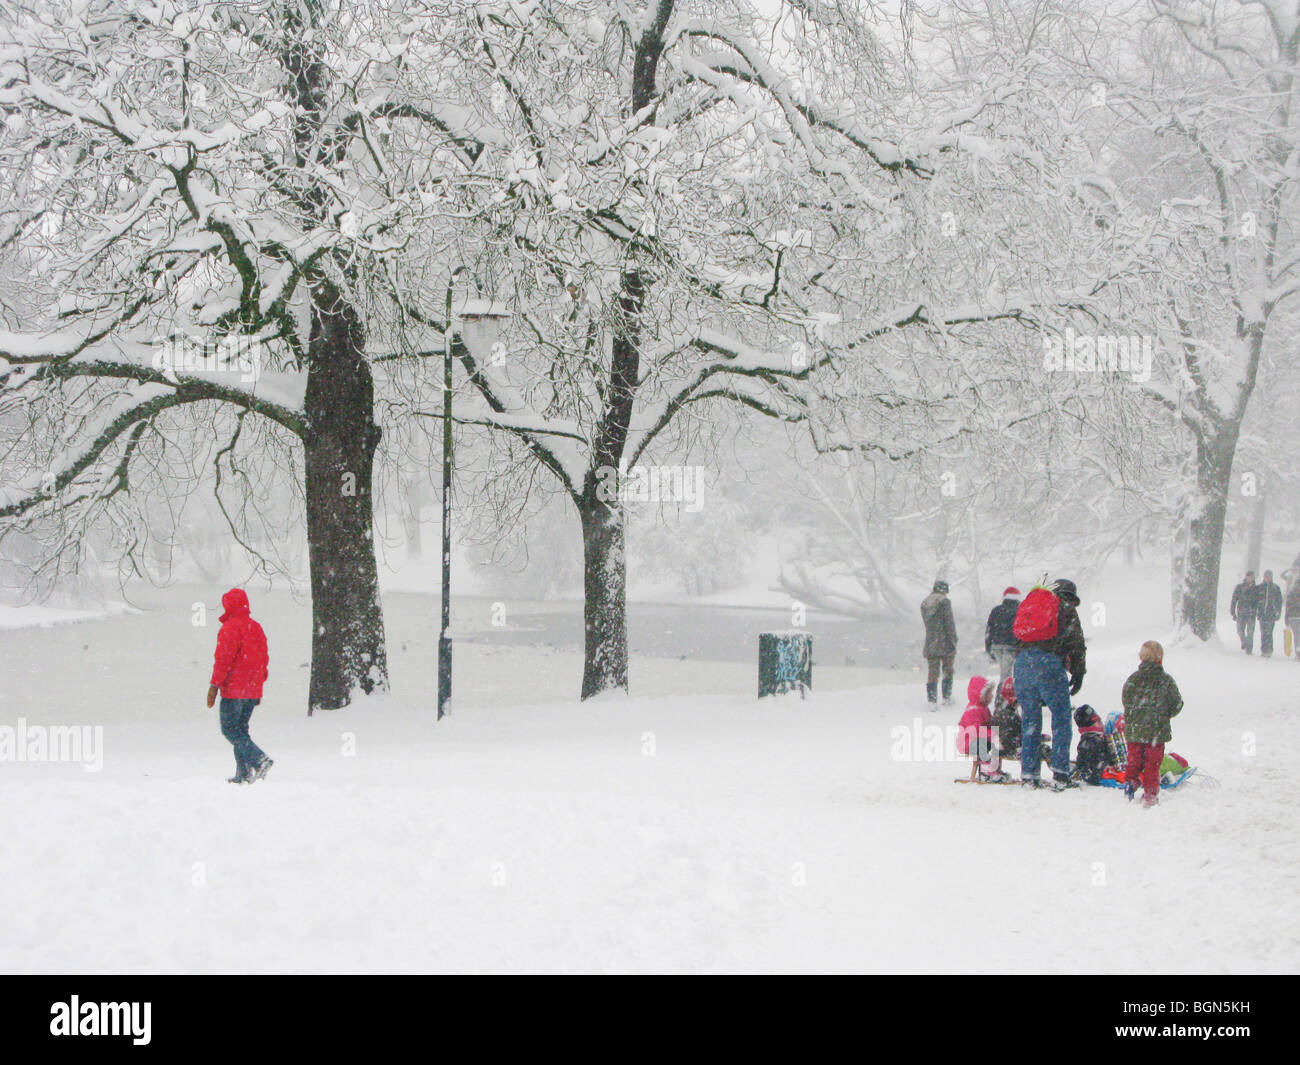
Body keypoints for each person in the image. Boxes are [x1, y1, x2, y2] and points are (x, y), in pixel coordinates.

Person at [1013, 578, 1086, 790]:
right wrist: (1079, 673)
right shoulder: (1066, 609)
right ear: (1070, 597)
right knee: (1061, 718)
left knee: (1030, 720)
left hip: (1022, 663)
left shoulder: (1033, 605)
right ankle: (1061, 773)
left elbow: (1017, 636)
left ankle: (1029, 775)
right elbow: (1077, 644)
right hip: (1049, 663)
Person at [206, 588, 272, 784]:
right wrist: (259, 682)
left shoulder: (229, 628)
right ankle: (243, 774)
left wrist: (214, 685)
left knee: (230, 729)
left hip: (235, 690)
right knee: (241, 730)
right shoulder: (256, 627)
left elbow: (223, 660)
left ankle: (260, 760)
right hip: (252, 689)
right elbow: (263, 658)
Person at [1121, 640, 1183, 808]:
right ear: (1160, 659)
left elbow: (1125, 699)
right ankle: (1150, 793)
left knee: (1134, 760)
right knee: (1152, 764)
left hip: (1134, 730)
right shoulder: (1166, 681)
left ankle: (1130, 783)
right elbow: (1177, 704)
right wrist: (1164, 715)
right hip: (1156, 731)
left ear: (1141, 658)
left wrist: (1135, 716)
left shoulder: (1133, 679)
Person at [957, 675, 1009, 782]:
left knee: (994, 745)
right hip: (968, 741)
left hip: (980, 738)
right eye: (989, 693)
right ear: (982, 695)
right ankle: (987, 771)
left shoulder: (983, 709)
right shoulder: (973, 710)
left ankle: (995, 769)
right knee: (982, 746)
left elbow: (988, 726)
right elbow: (977, 729)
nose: (992, 695)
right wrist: (993, 735)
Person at [920, 579, 958, 708]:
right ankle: (946, 697)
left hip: (931, 641)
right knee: (948, 670)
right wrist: (953, 639)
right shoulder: (944, 602)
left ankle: (932, 700)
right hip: (945, 642)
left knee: (933, 672)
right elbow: (949, 623)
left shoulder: (925, 603)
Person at [984, 586, 1022, 711]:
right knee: (1007, 676)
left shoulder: (996, 610)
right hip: (1011, 647)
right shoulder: (1020, 610)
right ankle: (1003, 702)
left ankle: (1004, 700)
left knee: (1004, 674)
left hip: (996, 646)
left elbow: (988, 630)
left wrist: (989, 648)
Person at [1072, 705, 1107, 785]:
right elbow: (1082, 766)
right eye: (1099, 722)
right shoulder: (1089, 741)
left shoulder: (1096, 738)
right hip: (1098, 774)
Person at [1230, 571, 1260, 654]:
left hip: (1251, 614)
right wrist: (1232, 612)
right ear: (1246, 577)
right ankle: (1244, 641)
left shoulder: (1256, 589)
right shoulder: (1239, 587)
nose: (1250, 578)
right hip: (1241, 613)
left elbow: (1258, 601)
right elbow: (1234, 599)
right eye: (1249, 576)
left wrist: (1256, 611)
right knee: (1240, 630)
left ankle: (1249, 649)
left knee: (1250, 632)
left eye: (1252, 577)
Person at [992, 676, 1022, 759]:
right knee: (1045, 750)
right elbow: (1007, 739)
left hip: (1004, 747)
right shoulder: (1007, 714)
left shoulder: (1001, 710)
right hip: (1009, 749)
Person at [1257, 570, 1283, 658]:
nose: (1267, 578)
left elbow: (1279, 601)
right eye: (1266, 576)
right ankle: (1264, 649)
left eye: (1269, 576)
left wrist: (1278, 611)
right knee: (1263, 632)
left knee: (1269, 632)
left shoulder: (1275, 588)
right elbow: (1255, 600)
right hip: (1262, 614)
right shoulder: (1260, 587)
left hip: (1271, 614)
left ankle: (1269, 650)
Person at [1286, 578, 1300, 661]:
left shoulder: (1292, 593)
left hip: (1293, 617)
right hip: (1296, 616)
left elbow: (1288, 605)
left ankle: (1298, 651)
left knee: (1296, 635)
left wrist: (1286, 617)